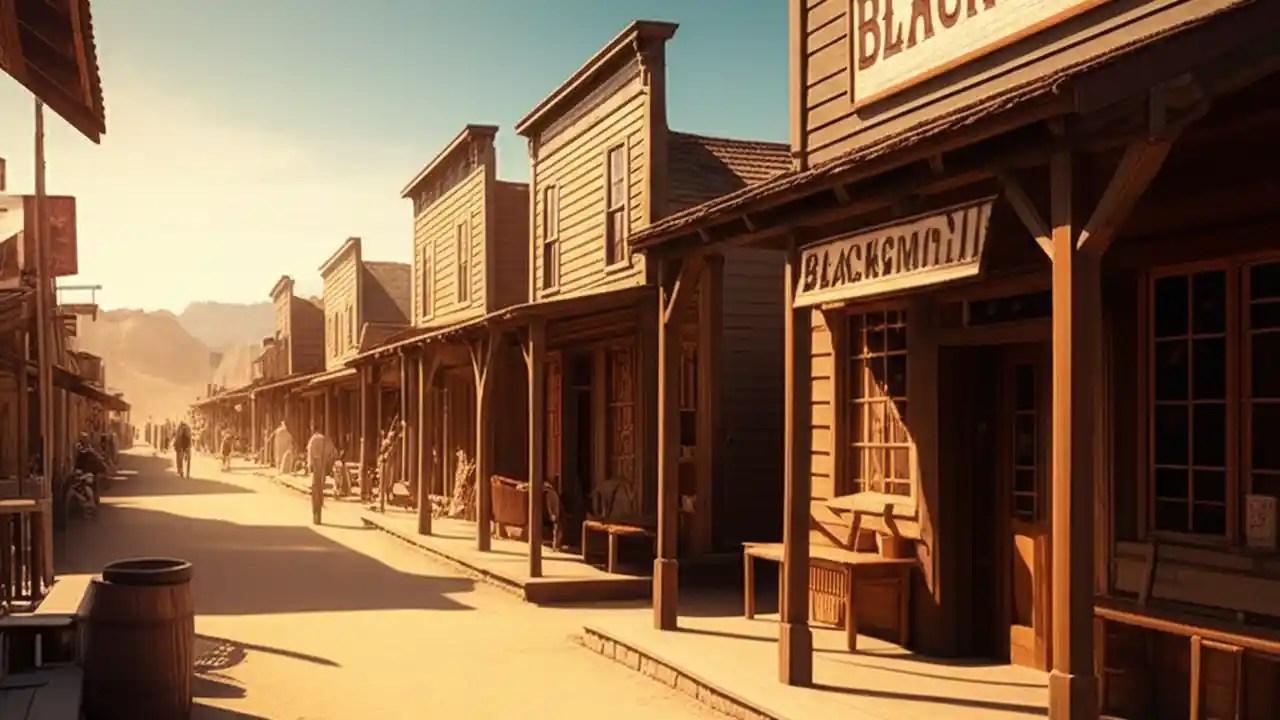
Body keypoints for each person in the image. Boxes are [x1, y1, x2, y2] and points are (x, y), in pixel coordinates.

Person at [306, 429, 337, 525]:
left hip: (317, 469)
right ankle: (317, 516)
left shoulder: (314, 440)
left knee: (316, 491)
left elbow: (312, 456)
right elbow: (329, 455)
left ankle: (316, 516)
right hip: (319, 469)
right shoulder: (323, 441)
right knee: (318, 491)